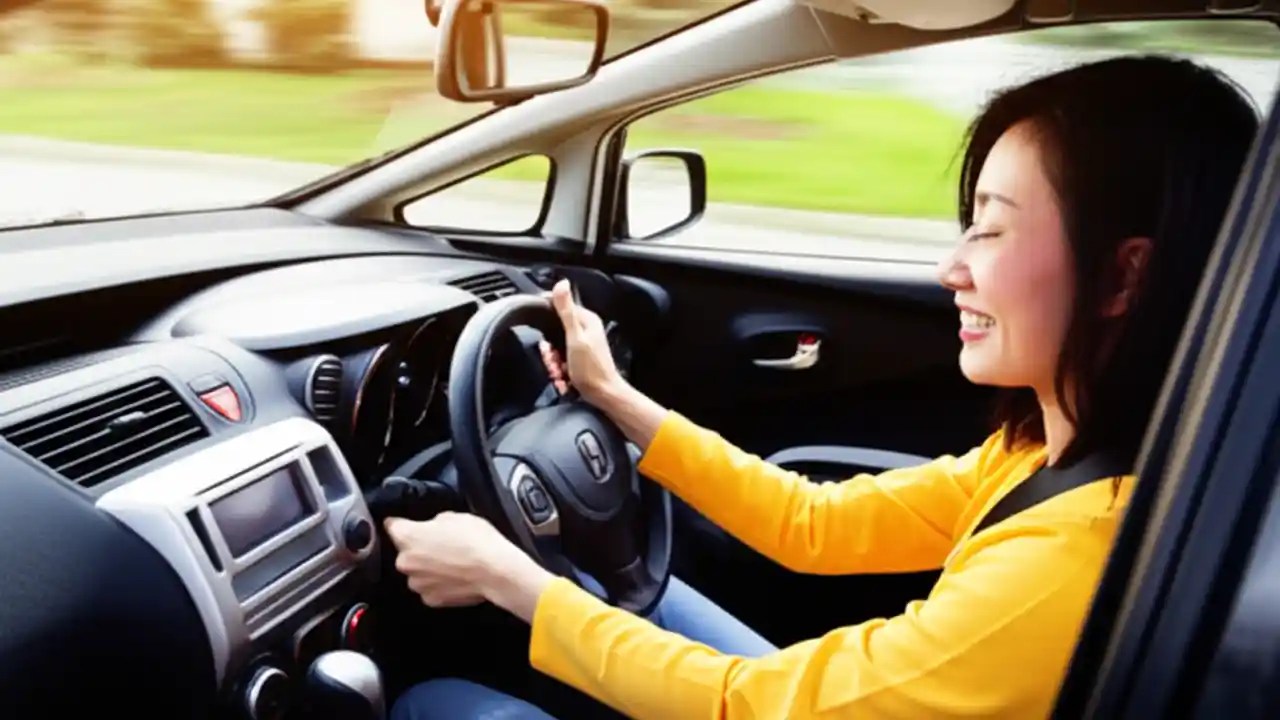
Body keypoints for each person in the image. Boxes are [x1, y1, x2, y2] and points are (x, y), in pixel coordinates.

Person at [381, 55, 1259, 719]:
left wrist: (510, 580)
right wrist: (617, 400)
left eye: (990, 231)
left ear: (1122, 280)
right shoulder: (1046, 453)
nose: (951, 268)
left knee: (439, 706)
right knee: (642, 603)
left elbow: (749, 706)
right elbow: (815, 525)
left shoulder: (1068, 563)